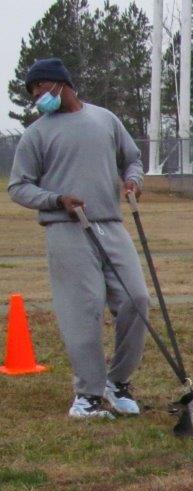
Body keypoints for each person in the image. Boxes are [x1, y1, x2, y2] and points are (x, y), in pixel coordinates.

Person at [7, 58, 150, 420]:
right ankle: (86, 396)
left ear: (59, 83)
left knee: (137, 298)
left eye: (39, 89)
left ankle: (117, 383)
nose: (37, 98)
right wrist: (56, 199)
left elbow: (132, 160)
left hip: (110, 224)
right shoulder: (36, 133)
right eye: (33, 94)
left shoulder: (105, 120)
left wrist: (133, 181)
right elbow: (19, 187)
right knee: (82, 310)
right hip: (66, 228)